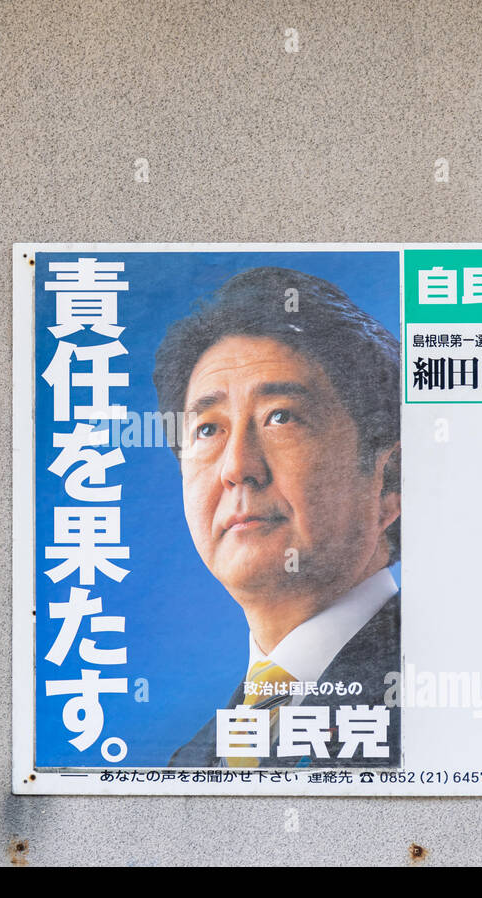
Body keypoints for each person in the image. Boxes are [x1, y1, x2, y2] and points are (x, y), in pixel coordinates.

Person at [152, 266, 401, 769]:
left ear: (388, 478)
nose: (238, 467)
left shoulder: (447, 699)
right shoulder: (188, 763)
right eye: (206, 429)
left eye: (281, 417)